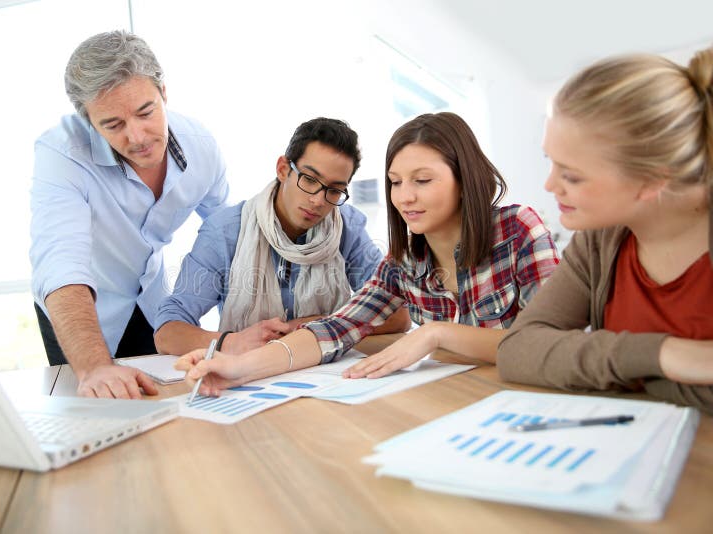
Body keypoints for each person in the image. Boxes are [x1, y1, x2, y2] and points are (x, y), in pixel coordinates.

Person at [176, 112, 560, 395]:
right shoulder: (405, 262)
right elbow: (334, 329)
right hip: (452, 401)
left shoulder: (518, 229)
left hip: (527, 400)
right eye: (395, 182)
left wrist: (437, 334)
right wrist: (239, 367)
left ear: (465, 179)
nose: (404, 197)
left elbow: (550, 345)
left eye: (422, 180)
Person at [497, 47, 713, 413]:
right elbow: (517, 350)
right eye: (551, 161)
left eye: (572, 175)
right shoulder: (601, 240)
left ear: (650, 182)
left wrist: (601, 370)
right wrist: (662, 354)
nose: (550, 186)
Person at [30, 30, 229, 399]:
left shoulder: (201, 147)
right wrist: (94, 367)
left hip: (149, 299)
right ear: (89, 120)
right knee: (95, 405)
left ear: (163, 92)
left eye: (145, 112)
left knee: (163, 400)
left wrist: (237, 337)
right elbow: (60, 261)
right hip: (80, 307)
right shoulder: (61, 154)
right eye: (113, 125)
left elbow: (227, 238)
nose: (137, 136)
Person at [154, 118, 410, 356]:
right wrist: (232, 342)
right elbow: (168, 331)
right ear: (283, 169)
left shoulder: (347, 227)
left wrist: (310, 326)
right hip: (249, 373)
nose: (318, 200)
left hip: (322, 371)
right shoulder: (225, 232)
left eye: (334, 190)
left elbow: (398, 314)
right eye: (309, 180)